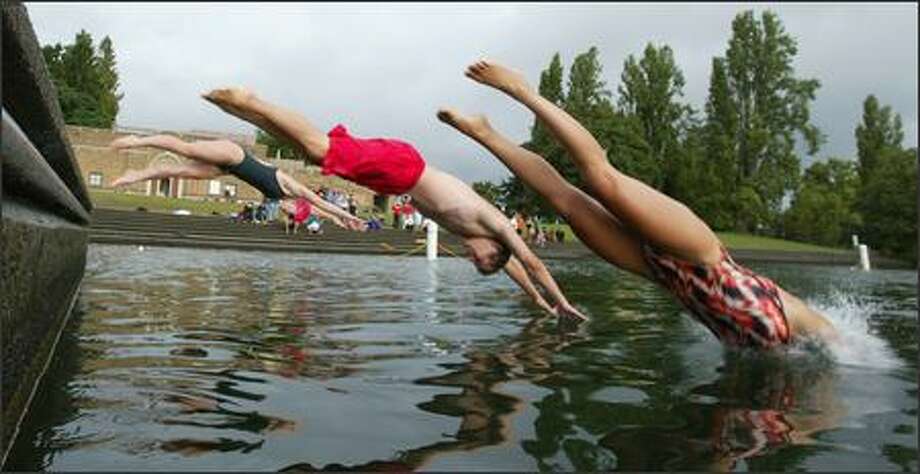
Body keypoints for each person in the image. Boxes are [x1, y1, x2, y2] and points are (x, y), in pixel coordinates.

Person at [437, 59, 838, 348]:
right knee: (601, 179)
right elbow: (836, 343)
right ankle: (523, 90)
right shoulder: (821, 337)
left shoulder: (775, 360)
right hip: (703, 258)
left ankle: (486, 135)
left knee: (567, 204)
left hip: (664, 277)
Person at [198, 86, 584, 320]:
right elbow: (530, 262)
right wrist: (562, 301)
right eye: (481, 260)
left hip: (395, 176)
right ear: (496, 248)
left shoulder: (478, 236)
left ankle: (249, 112)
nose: (472, 258)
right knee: (321, 147)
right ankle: (255, 102)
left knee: (319, 154)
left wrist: (540, 304)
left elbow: (514, 270)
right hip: (404, 168)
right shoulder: (496, 223)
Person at [109, 135, 366, 232]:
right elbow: (319, 202)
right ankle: (137, 141)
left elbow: (318, 211)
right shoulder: (290, 187)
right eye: (290, 213)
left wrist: (342, 220)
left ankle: (137, 175)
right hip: (234, 155)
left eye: (289, 213)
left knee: (180, 171)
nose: (287, 214)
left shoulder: (285, 200)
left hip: (227, 169)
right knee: (187, 150)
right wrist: (345, 214)